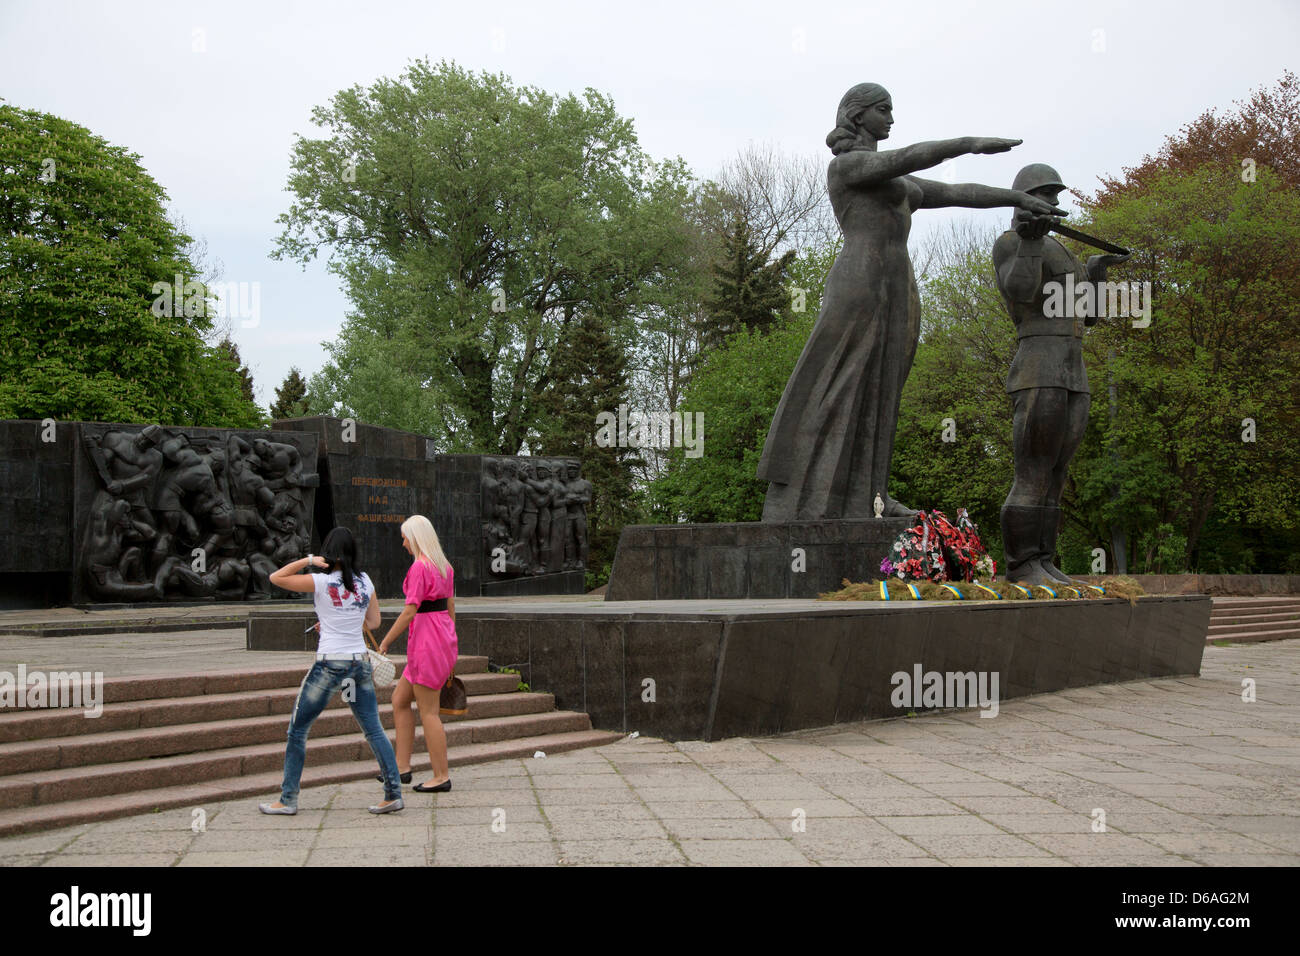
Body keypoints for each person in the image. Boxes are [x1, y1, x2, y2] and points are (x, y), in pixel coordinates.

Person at [756, 82, 1064, 521]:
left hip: (899, 285)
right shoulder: (848, 167)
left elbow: (959, 193)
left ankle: (871, 494)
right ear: (858, 115)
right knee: (842, 379)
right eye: (884, 110)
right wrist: (966, 144)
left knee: (885, 388)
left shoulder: (898, 181)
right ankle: (806, 497)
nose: (892, 120)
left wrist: (1017, 198)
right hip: (860, 280)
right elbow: (907, 156)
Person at [993, 163, 1129, 584]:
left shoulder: (1062, 249)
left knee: (1057, 474)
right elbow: (1020, 291)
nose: (1054, 203)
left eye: (1055, 195)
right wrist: (1031, 243)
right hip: (1038, 362)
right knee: (1033, 470)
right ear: (1024, 199)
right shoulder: (1011, 242)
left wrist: (1097, 271)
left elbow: (1088, 316)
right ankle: (1021, 565)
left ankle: (1045, 560)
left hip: (1073, 366)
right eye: (1045, 195)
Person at [258, 527, 404, 815]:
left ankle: (287, 799)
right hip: (358, 662)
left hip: (330, 663)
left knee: (297, 730)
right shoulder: (365, 581)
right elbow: (373, 622)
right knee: (374, 729)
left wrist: (308, 559)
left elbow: (276, 578)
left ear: (328, 552)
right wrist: (345, 620)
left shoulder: (321, 581)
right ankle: (393, 793)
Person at [378, 515, 458, 793]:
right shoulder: (444, 567)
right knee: (399, 699)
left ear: (415, 537)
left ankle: (441, 776)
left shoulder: (419, 568)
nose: (403, 543)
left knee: (429, 712)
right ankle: (402, 767)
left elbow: (410, 610)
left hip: (426, 643)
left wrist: (385, 641)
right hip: (439, 640)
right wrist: (451, 642)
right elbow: (450, 606)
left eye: (404, 537)